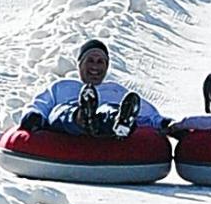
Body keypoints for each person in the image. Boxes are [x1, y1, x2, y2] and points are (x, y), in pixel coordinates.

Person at [18, 39, 168, 138]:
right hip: (66, 125)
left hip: (104, 130)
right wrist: (33, 116)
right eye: (90, 61)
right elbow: (40, 105)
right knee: (61, 111)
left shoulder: (116, 91)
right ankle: (81, 116)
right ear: (79, 65)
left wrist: (166, 124)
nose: (95, 66)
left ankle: (118, 120)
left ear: (106, 66)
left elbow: (150, 115)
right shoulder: (62, 87)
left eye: (100, 62)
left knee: (109, 109)